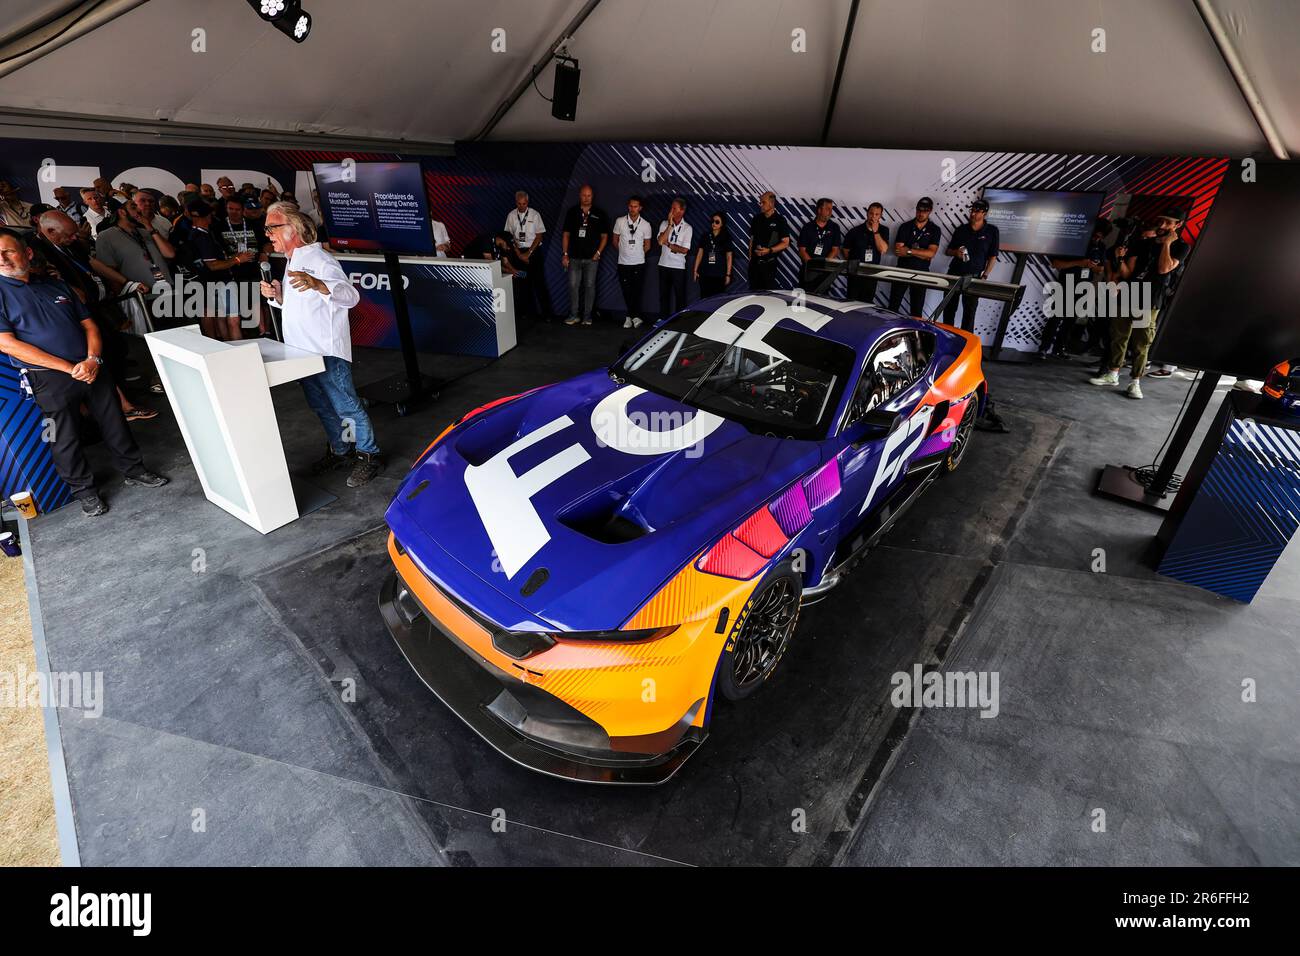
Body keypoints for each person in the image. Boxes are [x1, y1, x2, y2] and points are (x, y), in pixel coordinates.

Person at [0, 228, 167, 516]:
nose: (2, 259)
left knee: (114, 420)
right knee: (63, 436)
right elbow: (7, 344)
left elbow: (90, 325)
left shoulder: (56, 286)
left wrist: (92, 359)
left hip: (91, 367)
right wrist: (69, 368)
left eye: (8, 251)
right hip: (49, 377)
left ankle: (134, 470)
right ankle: (85, 492)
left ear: (27, 253)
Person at [260, 202, 383, 487]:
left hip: (325, 350)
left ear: (293, 229)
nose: (267, 234)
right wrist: (277, 296)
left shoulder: (319, 260)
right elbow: (299, 306)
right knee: (322, 407)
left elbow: (351, 297)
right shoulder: (292, 261)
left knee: (345, 406)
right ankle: (341, 450)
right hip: (300, 352)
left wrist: (319, 284)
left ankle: (368, 454)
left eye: (272, 227)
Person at [34, 211, 156, 420]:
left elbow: (92, 263)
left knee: (115, 349)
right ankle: (120, 406)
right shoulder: (37, 251)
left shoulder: (69, 244)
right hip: (72, 314)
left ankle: (121, 398)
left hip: (97, 305)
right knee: (99, 358)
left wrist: (126, 282)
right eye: (69, 234)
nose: (74, 238)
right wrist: (68, 289)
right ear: (50, 231)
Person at [1090, 208, 1189, 400]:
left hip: (1150, 298)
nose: (1162, 225)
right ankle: (1113, 374)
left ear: (1178, 225)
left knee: (1141, 343)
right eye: (1161, 220)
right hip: (1129, 293)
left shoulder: (1181, 247)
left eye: (1168, 223)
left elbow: (1164, 269)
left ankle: (1135, 382)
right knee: (1119, 336)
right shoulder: (1143, 243)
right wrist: (1120, 258)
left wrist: (1167, 244)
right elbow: (1128, 273)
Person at [1041, 216, 1108, 360]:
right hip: (1066, 283)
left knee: (1070, 321)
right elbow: (1057, 264)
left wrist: (1092, 266)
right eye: (1095, 236)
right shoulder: (1074, 242)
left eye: (1100, 237)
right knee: (1056, 317)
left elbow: (1101, 269)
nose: (1097, 239)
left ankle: (1059, 349)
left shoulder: (1101, 246)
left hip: (1084, 286)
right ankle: (1044, 348)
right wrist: (1080, 262)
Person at [941, 198, 1000, 331]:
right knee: (949, 310)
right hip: (954, 274)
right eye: (972, 210)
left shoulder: (992, 231)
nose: (973, 214)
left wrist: (985, 276)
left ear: (984, 213)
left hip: (974, 277)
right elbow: (948, 251)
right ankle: (947, 337)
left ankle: (966, 343)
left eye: (976, 211)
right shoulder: (961, 229)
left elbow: (993, 256)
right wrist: (955, 253)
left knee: (969, 313)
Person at [94, 198, 175, 291]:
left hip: (167, 288)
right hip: (142, 295)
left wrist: (150, 227)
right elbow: (109, 273)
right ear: (122, 212)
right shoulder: (106, 236)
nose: (139, 210)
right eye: (133, 207)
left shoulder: (146, 232)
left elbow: (170, 254)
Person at [560, 184, 609, 326]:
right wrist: (565, 254)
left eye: (589, 195)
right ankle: (574, 315)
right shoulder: (572, 212)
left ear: (592, 196)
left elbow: (605, 236)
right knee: (573, 286)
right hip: (574, 257)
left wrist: (598, 252)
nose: (586, 198)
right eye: (584, 195)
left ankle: (587, 316)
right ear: (579, 195)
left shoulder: (600, 213)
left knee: (590, 286)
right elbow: (565, 235)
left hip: (592, 259)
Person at [887, 196, 941, 318]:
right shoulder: (905, 226)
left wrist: (910, 251)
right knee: (893, 306)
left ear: (930, 211)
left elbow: (931, 254)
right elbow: (898, 251)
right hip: (902, 270)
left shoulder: (935, 229)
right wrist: (922, 252)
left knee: (916, 309)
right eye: (919, 210)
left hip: (922, 273)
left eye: (925, 211)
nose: (921, 213)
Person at [504, 191, 550, 321]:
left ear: (527, 202)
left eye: (524, 204)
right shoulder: (511, 215)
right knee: (523, 284)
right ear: (516, 202)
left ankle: (547, 314)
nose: (522, 206)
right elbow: (509, 237)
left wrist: (528, 253)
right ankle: (527, 313)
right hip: (518, 252)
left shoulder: (535, 215)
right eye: (519, 203)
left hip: (533, 252)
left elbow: (539, 235)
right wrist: (519, 254)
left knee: (539, 283)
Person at [612, 194, 652, 328]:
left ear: (640, 208)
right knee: (626, 291)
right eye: (630, 206)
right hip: (623, 263)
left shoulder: (646, 225)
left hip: (639, 263)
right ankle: (634, 317)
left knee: (637, 291)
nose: (632, 209)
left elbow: (647, 245)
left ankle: (631, 317)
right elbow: (615, 240)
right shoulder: (620, 221)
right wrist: (625, 252)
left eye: (635, 206)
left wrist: (637, 253)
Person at [841, 202, 890, 303]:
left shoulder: (884, 230)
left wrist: (875, 232)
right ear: (867, 214)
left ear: (880, 216)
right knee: (851, 302)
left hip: (871, 273)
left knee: (866, 304)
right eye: (871, 213)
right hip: (855, 272)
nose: (873, 217)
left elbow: (883, 249)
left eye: (877, 214)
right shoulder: (854, 231)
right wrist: (852, 264)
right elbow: (845, 250)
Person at [656, 197, 693, 320]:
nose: (671, 210)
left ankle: (679, 321)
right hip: (664, 264)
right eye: (671, 208)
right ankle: (663, 319)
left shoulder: (688, 228)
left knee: (679, 296)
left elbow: (684, 250)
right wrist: (670, 225)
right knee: (663, 295)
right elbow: (660, 241)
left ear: (682, 211)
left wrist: (669, 244)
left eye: (674, 208)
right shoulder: (664, 224)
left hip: (678, 266)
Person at [747, 191, 791, 291]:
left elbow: (785, 243)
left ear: (772, 203)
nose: (761, 204)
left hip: (769, 265)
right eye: (760, 202)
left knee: (766, 294)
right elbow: (752, 239)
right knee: (752, 293)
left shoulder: (780, 220)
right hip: (754, 265)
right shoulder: (756, 218)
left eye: (763, 202)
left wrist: (769, 250)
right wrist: (750, 258)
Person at [797, 197, 841, 289]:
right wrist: (813, 266)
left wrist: (823, 266)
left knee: (823, 300)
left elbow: (835, 250)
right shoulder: (807, 227)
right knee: (806, 299)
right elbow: (802, 250)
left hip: (825, 272)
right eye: (828, 209)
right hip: (808, 270)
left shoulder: (834, 227)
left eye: (831, 209)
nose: (830, 212)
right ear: (819, 210)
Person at [693, 212, 733, 298]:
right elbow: (700, 253)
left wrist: (728, 274)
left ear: (722, 224)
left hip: (719, 275)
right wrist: (695, 270)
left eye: (717, 222)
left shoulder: (726, 237)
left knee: (717, 300)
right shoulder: (705, 236)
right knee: (704, 298)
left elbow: (729, 257)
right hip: (705, 273)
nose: (713, 223)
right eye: (712, 221)